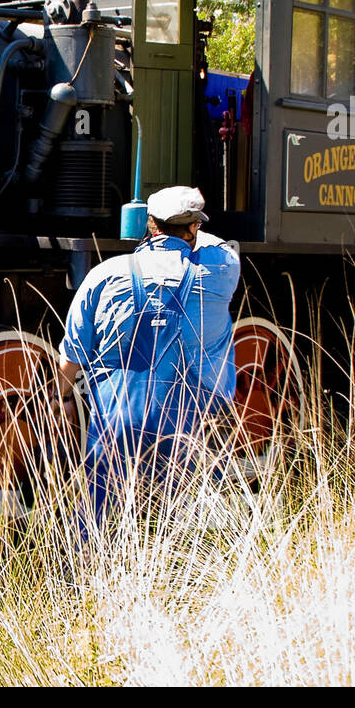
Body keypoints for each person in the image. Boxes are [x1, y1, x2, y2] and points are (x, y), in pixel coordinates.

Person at [58, 186, 240, 528]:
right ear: (193, 229)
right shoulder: (221, 270)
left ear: (149, 225)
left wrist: (64, 397)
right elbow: (214, 244)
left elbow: (71, 357)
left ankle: (80, 570)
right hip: (188, 426)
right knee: (188, 525)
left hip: (119, 422)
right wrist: (191, 227)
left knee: (97, 516)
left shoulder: (105, 275)